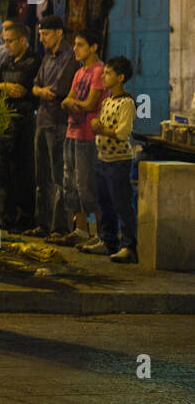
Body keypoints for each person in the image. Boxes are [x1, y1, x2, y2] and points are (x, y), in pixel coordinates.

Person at [48, 31, 105, 248]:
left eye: (81, 45)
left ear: (94, 47)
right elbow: (67, 100)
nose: (75, 49)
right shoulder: (79, 72)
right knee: (70, 183)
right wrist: (73, 104)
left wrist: (73, 104)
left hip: (87, 137)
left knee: (88, 184)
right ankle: (81, 230)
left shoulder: (99, 71)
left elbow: (90, 104)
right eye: (75, 45)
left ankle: (101, 234)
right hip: (71, 133)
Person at [27, 15, 78, 238]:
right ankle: (43, 224)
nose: (41, 38)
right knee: (41, 178)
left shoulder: (70, 56)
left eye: (45, 33)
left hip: (58, 123)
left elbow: (57, 90)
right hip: (42, 122)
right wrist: (40, 91)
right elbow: (36, 86)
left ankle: (59, 227)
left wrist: (42, 91)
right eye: (40, 33)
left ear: (58, 32)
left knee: (59, 178)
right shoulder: (47, 57)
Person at [0, 20, 40, 231]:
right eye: (4, 41)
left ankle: (26, 218)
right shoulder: (7, 63)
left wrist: (11, 89)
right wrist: (5, 86)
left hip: (25, 122)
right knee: (4, 172)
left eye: (10, 41)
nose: (7, 46)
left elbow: (24, 91)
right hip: (5, 123)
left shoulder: (35, 61)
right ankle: (8, 217)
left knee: (24, 170)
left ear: (22, 40)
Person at [88, 56, 138, 264]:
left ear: (121, 77)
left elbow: (122, 132)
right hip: (103, 159)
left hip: (118, 161)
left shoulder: (126, 102)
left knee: (122, 204)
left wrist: (101, 129)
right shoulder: (107, 100)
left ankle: (129, 246)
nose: (104, 76)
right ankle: (108, 240)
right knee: (105, 202)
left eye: (108, 73)